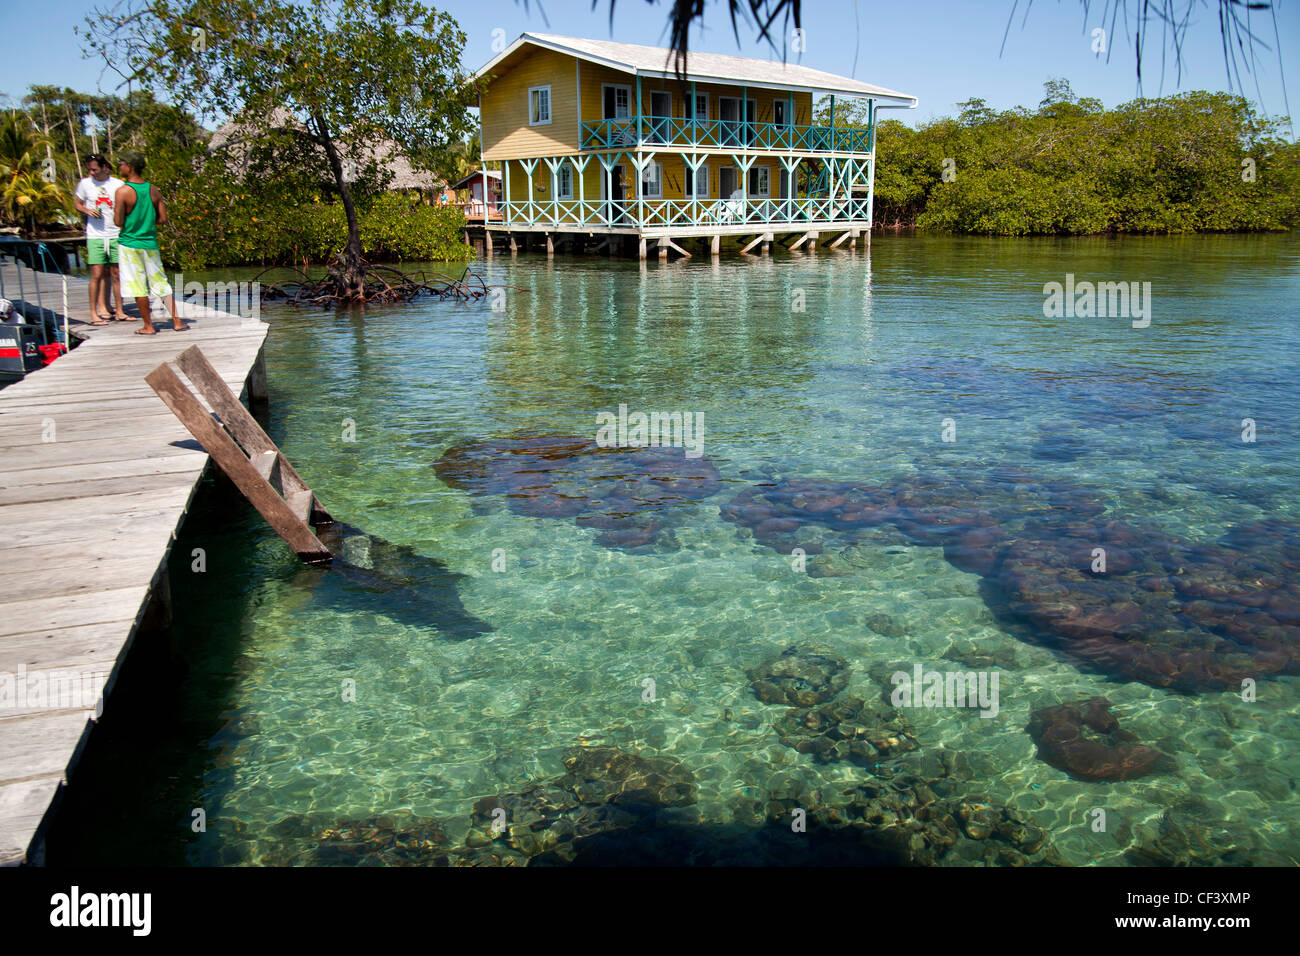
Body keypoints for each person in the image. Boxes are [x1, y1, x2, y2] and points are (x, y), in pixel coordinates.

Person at [113, 150, 186, 335]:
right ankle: (177, 321)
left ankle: (148, 326)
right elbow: (162, 219)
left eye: (121, 163)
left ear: (129, 167)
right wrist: (146, 221)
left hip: (130, 244)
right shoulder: (153, 189)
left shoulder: (122, 192)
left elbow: (118, 222)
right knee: (161, 283)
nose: (119, 166)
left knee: (138, 286)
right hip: (150, 244)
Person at [73, 154, 125, 324]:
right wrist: (86, 211)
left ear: (105, 167)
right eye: (89, 169)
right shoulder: (85, 184)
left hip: (115, 233)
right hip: (95, 235)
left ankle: (119, 310)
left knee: (116, 273)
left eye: (94, 169)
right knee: (96, 272)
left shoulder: (118, 184)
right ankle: (94, 312)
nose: (92, 172)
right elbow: (77, 203)